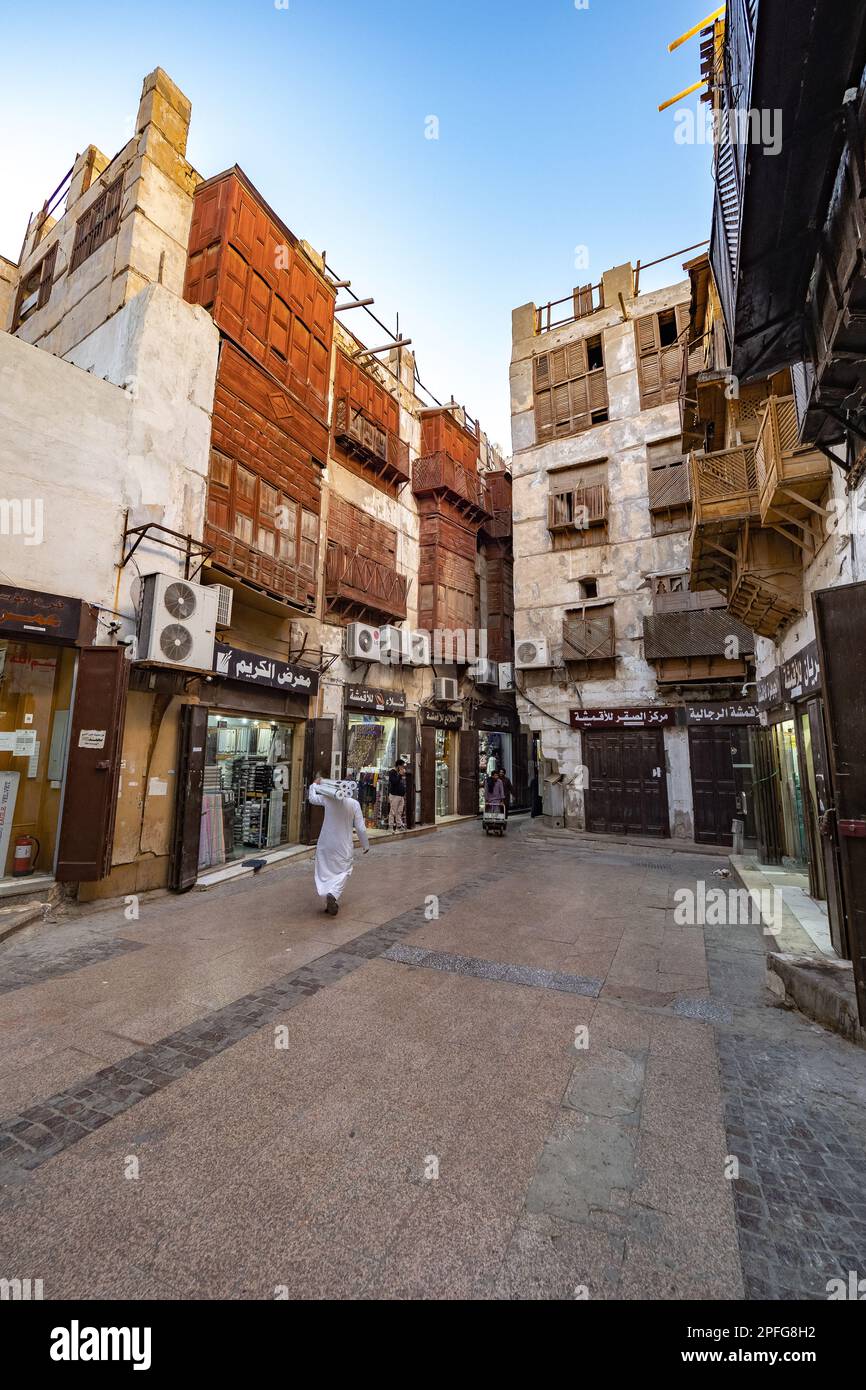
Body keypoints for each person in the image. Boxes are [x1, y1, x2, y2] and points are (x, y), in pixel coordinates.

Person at [308, 776, 369, 916]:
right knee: (344, 871)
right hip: (343, 844)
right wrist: (365, 844)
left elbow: (312, 798)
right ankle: (333, 894)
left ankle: (328, 896)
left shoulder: (328, 799)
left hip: (326, 842)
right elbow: (360, 827)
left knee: (326, 869)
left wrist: (314, 784)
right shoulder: (354, 804)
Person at [387, 758, 408, 832]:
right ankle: (390, 827)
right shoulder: (392, 772)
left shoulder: (399, 773)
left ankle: (399, 826)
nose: (403, 768)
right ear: (398, 766)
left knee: (399, 812)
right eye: (402, 766)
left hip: (400, 796)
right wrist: (400, 775)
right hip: (394, 795)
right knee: (393, 811)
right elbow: (394, 782)